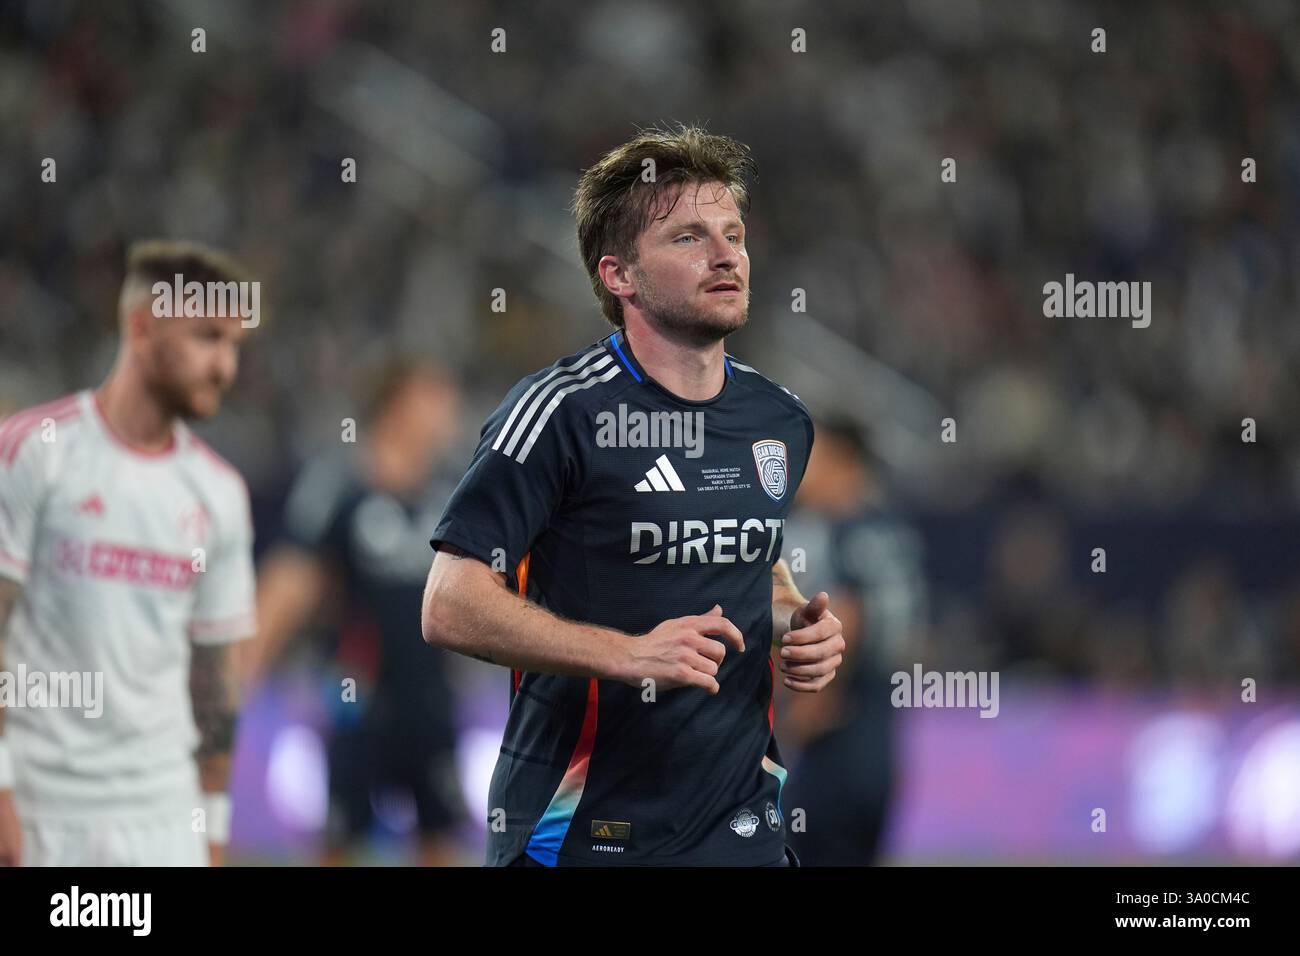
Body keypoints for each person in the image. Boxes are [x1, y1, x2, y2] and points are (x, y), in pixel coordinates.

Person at [422, 124, 845, 867]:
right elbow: (449, 603)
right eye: (687, 238)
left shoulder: (780, 420)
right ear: (619, 277)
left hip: (741, 830)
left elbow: (758, 564)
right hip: (583, 830)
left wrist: (795, 624)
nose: (726, 255)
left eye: (734, 234)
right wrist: (626, 655)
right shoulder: (561, 413)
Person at [0, 240, 257, 866]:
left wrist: (213, 828)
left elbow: (215, 687)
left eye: (233, 346)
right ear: (141, 328)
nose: (224, 366)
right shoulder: (36, 451)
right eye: (207, 338)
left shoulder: (220, 494)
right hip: (45, 811)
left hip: (163, 819)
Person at [247, 359, 468, 865]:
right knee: (340, 838)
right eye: (434, 398)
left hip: (430, 698)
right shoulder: (338, 484)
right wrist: (248, 667)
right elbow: (291, 582)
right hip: (356, 697)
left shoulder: (454, 489)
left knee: (440, 837)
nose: (447, 413)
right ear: (397, 405)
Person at [780, 417, 928, 865]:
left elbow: (847, 613)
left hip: (837, 730)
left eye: (814, 458)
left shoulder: (837, 528)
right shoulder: (892, 528)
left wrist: (818, 697)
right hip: (880, 726)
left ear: (844, 461)